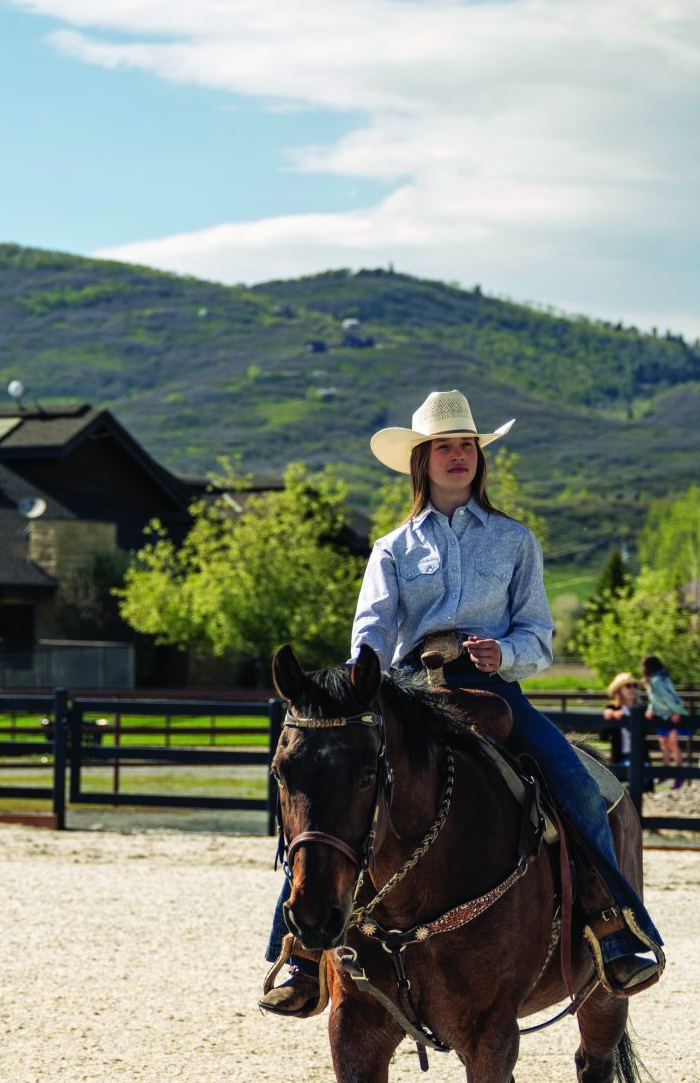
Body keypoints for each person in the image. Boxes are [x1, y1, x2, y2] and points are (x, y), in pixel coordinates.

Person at [260, 390, 665, 1017]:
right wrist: (364, 674)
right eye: (445, 446)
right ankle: (300, 954)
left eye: (467, 446)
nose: (458, 456)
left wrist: (503, 654)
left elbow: (539, 636)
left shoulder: (514, 541)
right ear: (422, 460)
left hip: (493, 693)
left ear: (480, 457)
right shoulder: (393, 548)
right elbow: (371, 627)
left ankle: (615, 929)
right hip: (409, 693)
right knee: (335, 795)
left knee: (582, 788)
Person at [642, 654, 689, 789]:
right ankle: (665, 771)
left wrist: (676, 711)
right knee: (664, 743)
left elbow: (669, 697)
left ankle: (680, 774)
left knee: (673, 744)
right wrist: (650, 709)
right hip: (661, 715)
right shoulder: (656, 679)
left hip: (670, 714)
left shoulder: (659, 680)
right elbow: (654, 699)